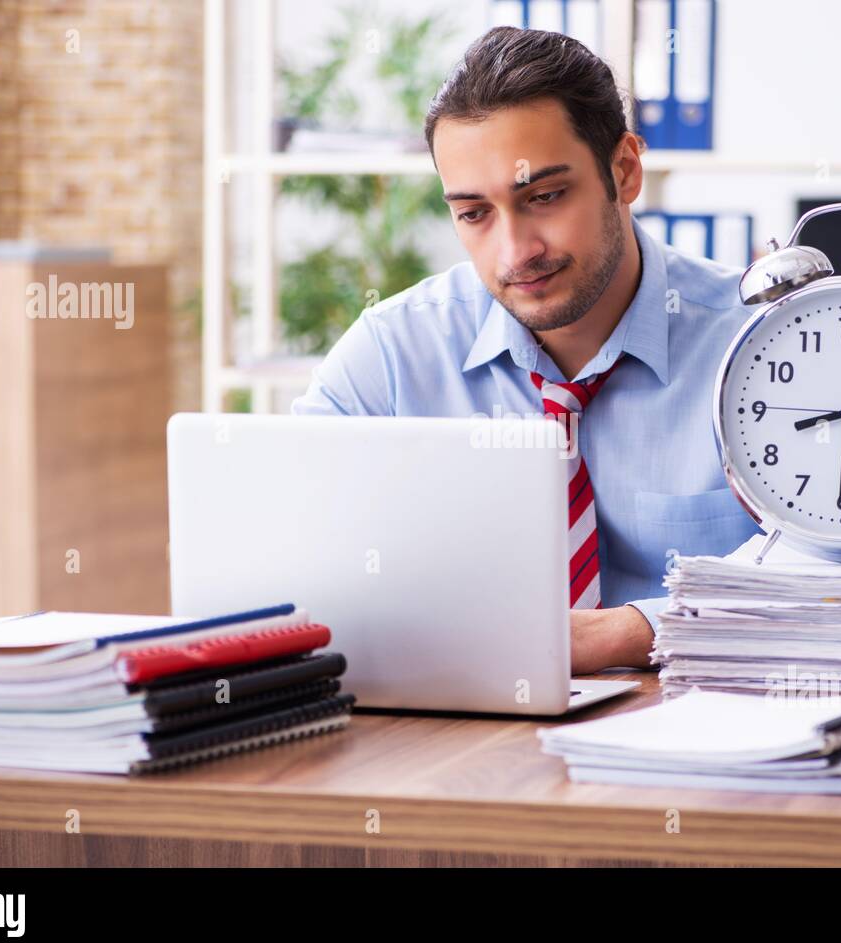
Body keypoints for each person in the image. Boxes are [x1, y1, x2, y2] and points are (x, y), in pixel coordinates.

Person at [292, 25, 759, 673]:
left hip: (708, 731)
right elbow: (291, 560)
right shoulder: (393, 354)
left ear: (624, 171)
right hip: (462, 736)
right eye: (475, 214)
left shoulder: (762, 348)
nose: (515, 253)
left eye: (543, 197)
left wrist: (632, 629)